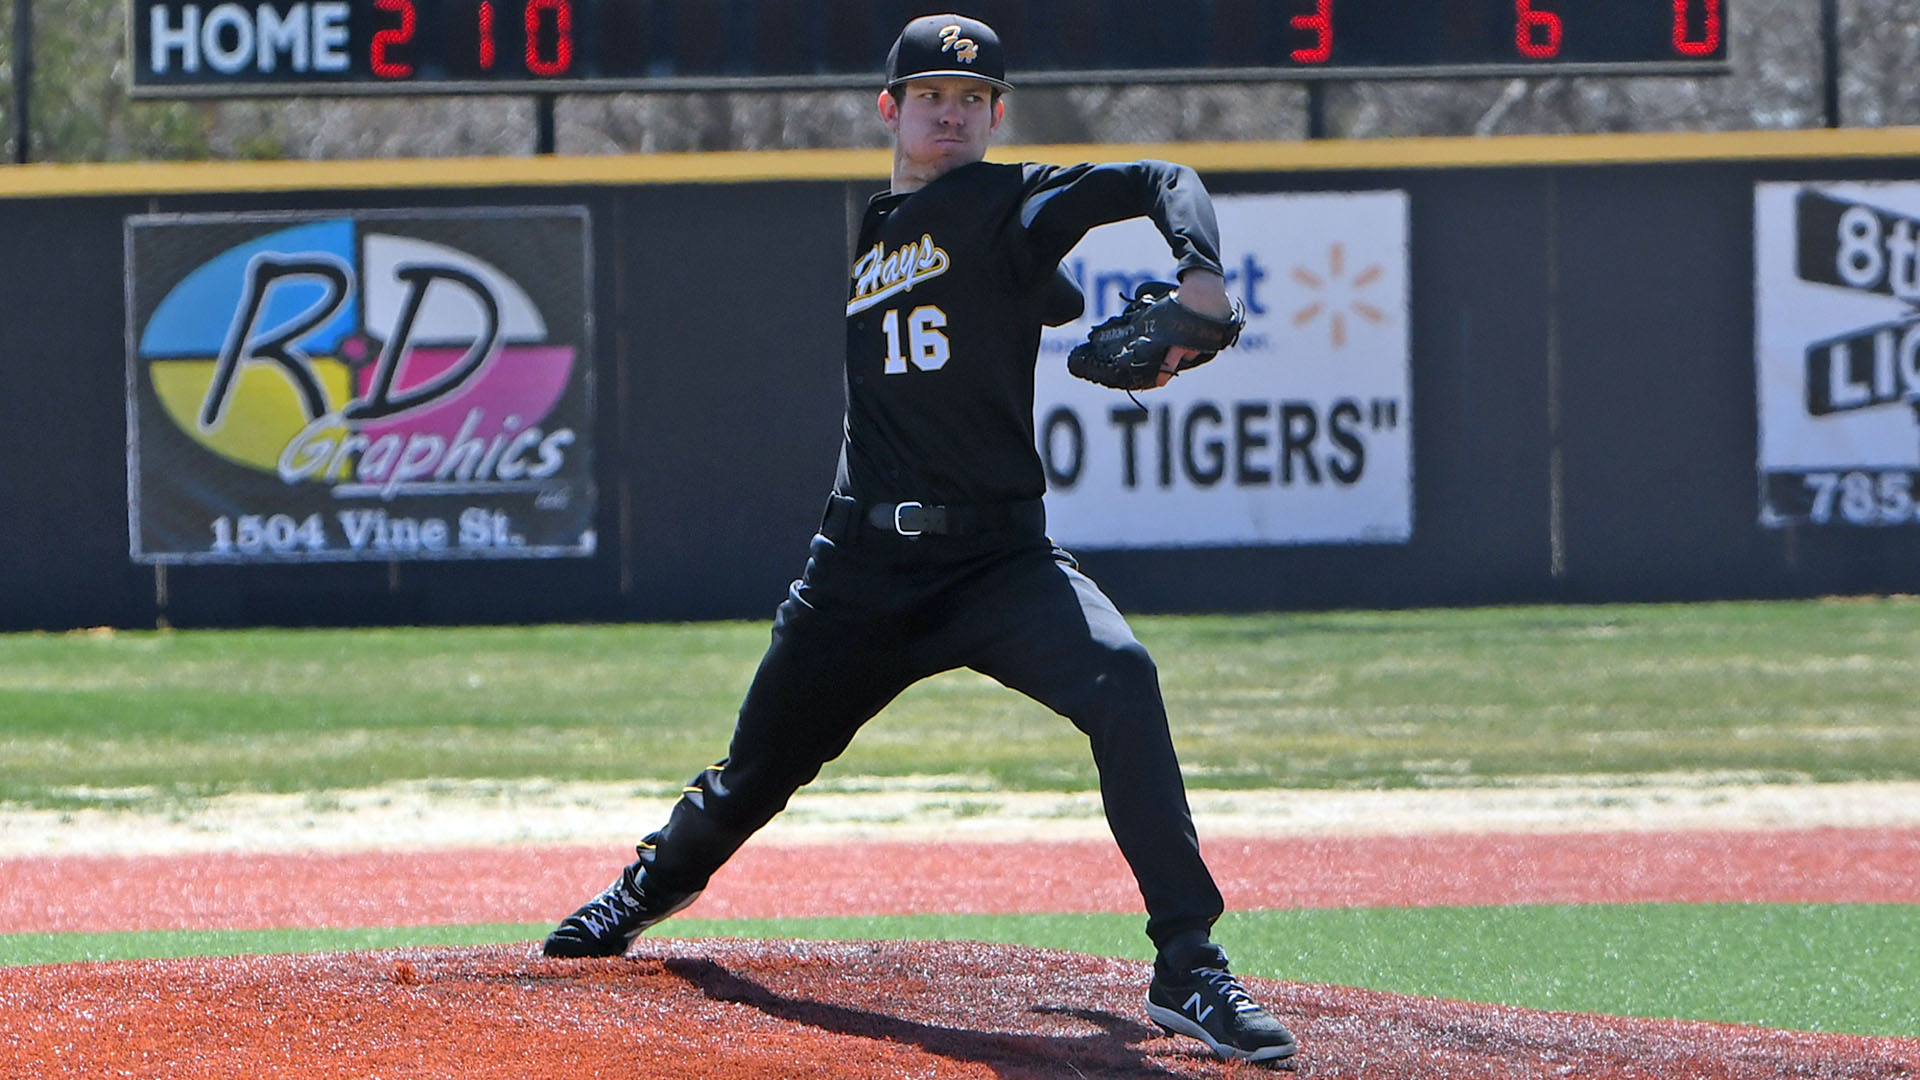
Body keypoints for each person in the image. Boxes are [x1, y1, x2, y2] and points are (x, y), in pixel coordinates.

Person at [542, 12, 1297, 1066]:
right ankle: (639, 896)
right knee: (755, 773)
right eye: (933, 94)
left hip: (997, 561)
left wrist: (1201, 273)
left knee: (1122, 677)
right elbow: (1031, 295)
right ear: (890, 108)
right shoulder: (880, 225)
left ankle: (1190, 965)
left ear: (996, 116)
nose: (954, 110)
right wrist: (1050, 295)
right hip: (859, 570)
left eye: (975, 97)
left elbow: (1158, 175)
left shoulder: (1009, 199)